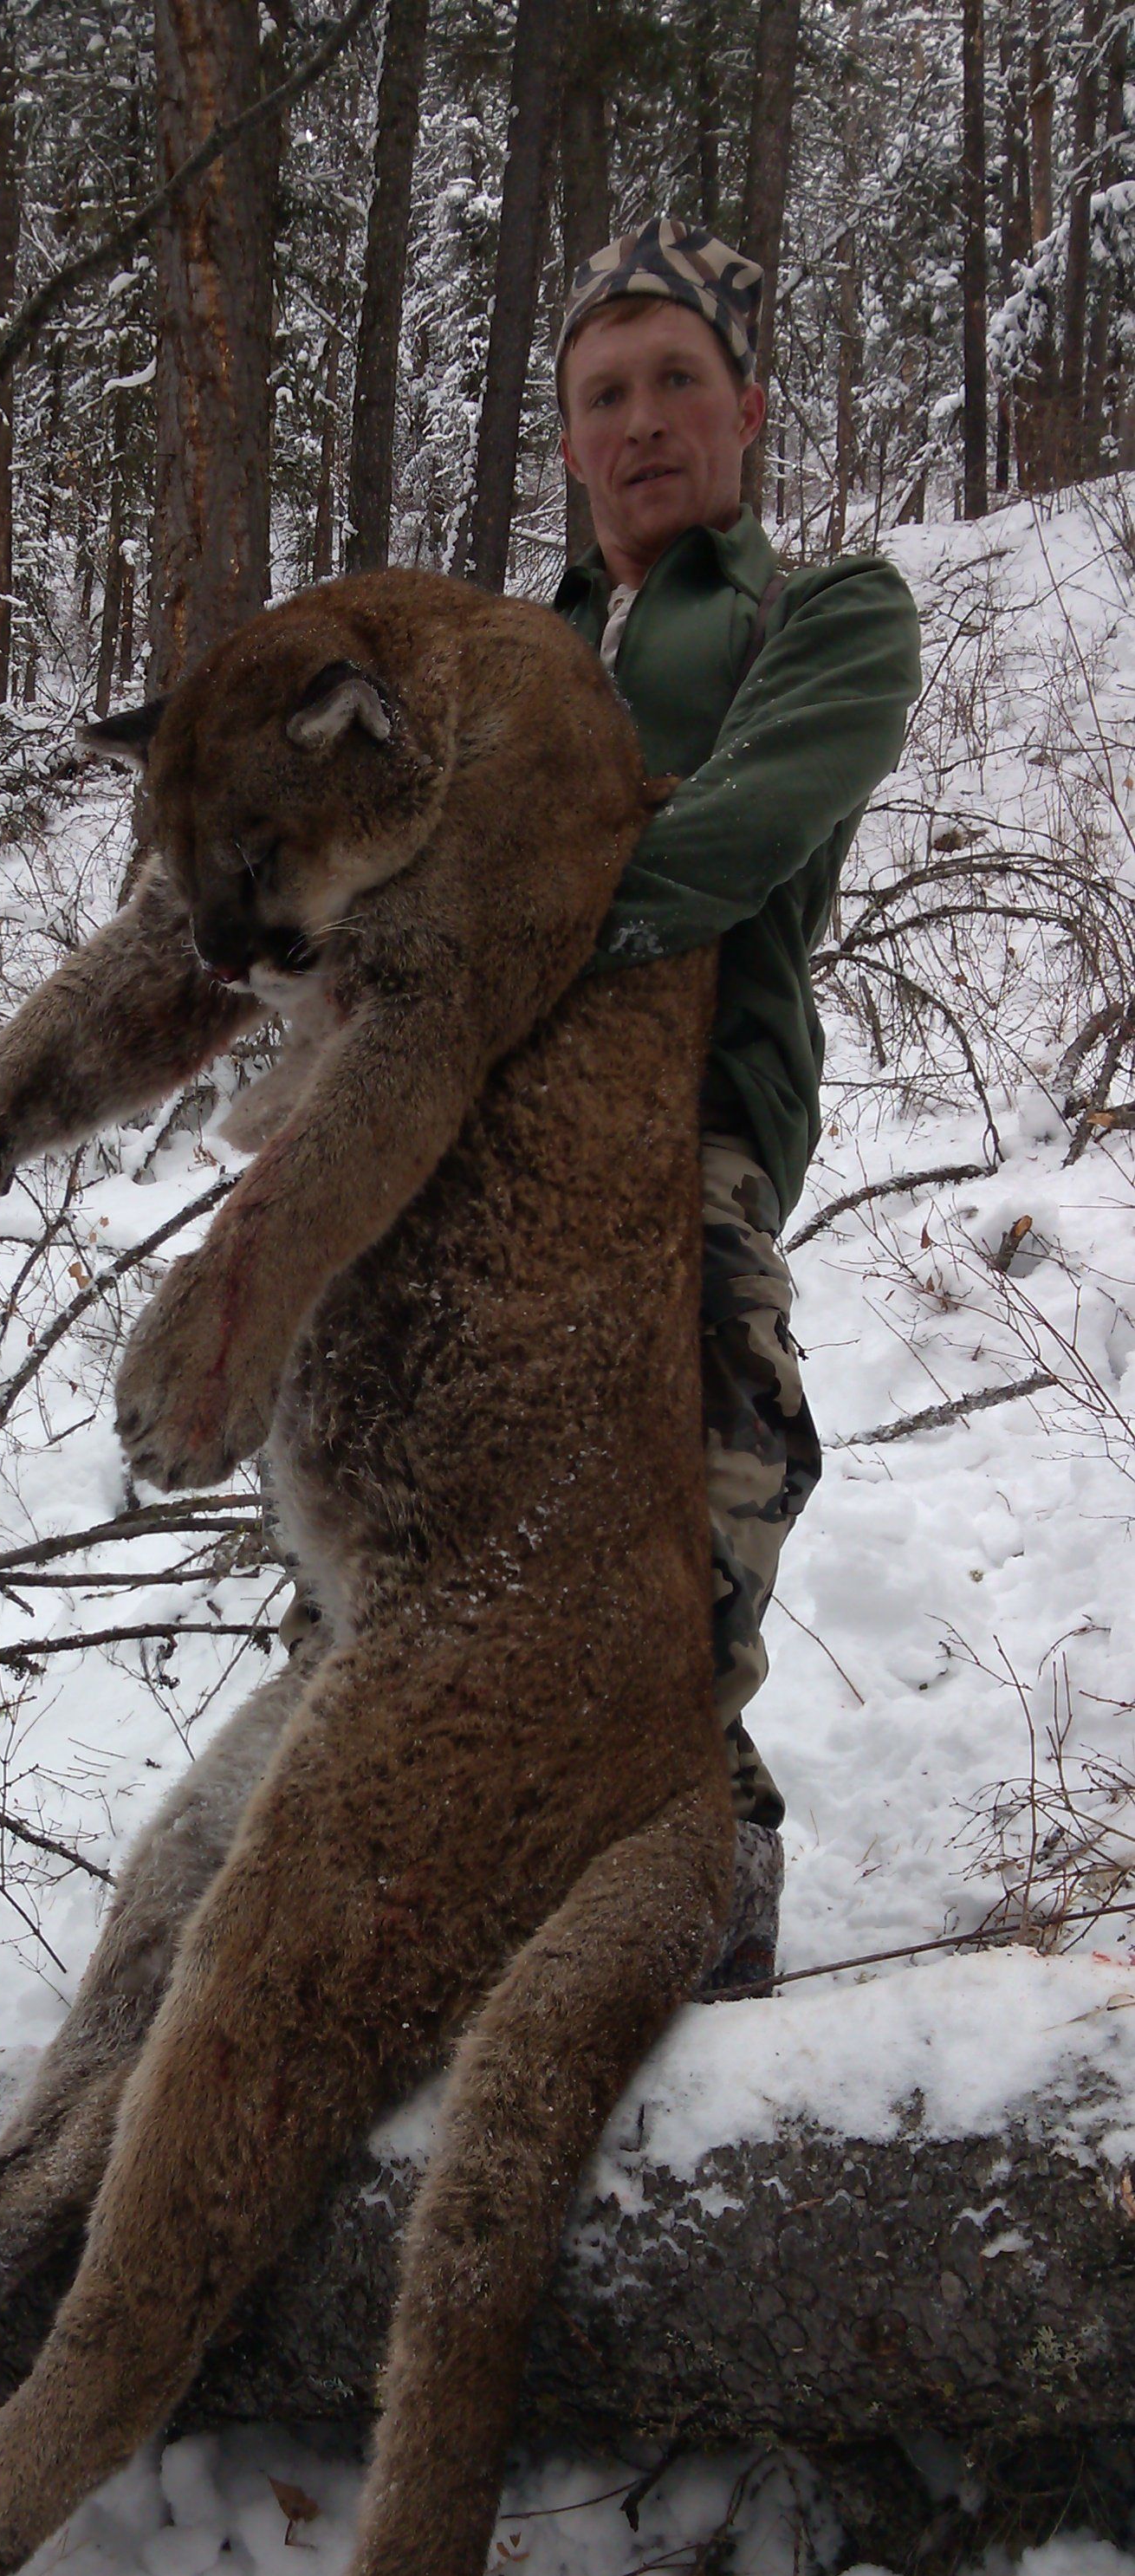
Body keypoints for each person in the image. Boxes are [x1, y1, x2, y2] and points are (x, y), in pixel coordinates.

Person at [552, 217, 922, 1976]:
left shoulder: (824, 613)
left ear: (748, 407)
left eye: (676, 381)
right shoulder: (509, 649)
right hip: (488, 1156)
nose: (640, 421)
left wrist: (498, 926)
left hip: (693, 1136)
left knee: (686, 1509)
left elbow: (742, 833)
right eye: (604, 393)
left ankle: (712, 1887)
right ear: (565, 439)